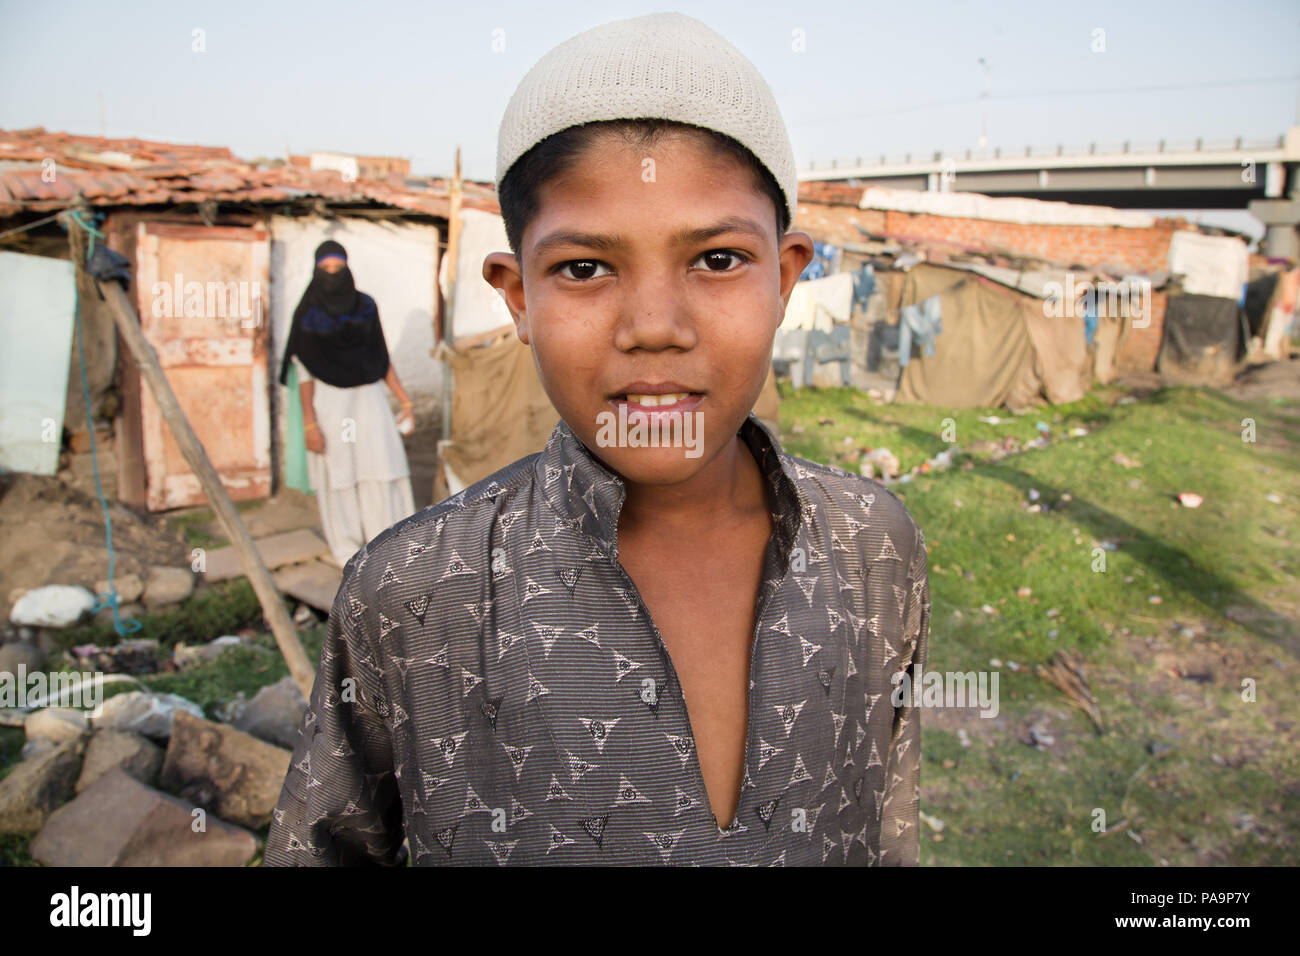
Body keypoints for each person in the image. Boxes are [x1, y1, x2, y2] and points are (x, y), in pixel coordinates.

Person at [266, 12, 930, 867]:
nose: (654, 327)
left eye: (717, 259)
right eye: (584, 268)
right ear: (518, 297)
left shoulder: (874, 548)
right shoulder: (412, 593)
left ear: (785, 277)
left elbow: (885, 827)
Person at [278, 240, 416, 568]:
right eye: (325, 269)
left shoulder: (365, 306)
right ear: (315, 271)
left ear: (348, 267)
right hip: (331, 406)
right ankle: (348, 551)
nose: (332, 275)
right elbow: (305, 373)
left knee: (381, 467)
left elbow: (381, 357)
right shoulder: (308, 314)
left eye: (337, 267)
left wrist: (405, 402)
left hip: (370, 401)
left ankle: (389, 543)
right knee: (340, 474)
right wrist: (309, 424)